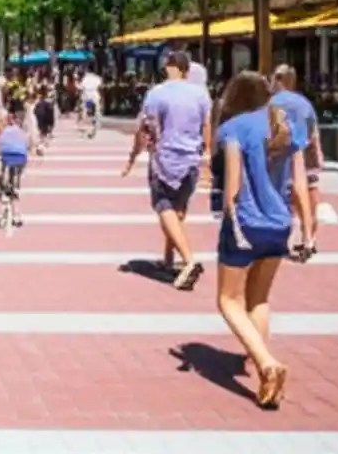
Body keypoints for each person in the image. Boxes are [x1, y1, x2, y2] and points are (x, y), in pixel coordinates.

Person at [214, 70, 309, 409]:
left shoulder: (232, 129)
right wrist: (307, 231)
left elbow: (233, 185)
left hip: (245, 223)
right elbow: (299, 187)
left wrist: (228, 215)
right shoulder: (283, 125)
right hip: (279, 224)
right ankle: (263, 376)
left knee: (227, 300)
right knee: (259, 300)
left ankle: (267, 363)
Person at [123, 51, 210, 290]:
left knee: (163, 206)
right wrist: (207, 154)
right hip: (191, 159)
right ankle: (169, 258)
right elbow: (206, 125)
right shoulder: (200, 94)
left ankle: (188, 259)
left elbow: (146, 127)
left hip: (165, 158)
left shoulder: (157, 93)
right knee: (179, 209)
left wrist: (133, 156)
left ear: (169, 68)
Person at [270, 64, 321, 259]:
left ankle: (283, 240)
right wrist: (317, 154)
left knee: (280, 196)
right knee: (302, 196)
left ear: (279, 79)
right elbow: (313, 131)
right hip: (299, 151)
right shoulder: (303, 102)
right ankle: (308, 237)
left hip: (278, 152)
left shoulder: (272, 102)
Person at [0, 109, 32, 228]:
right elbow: (28, 146)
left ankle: (5, 198)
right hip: (20, 158)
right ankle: (16, 214)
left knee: (2, 180)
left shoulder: (5, 131)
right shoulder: (21, 131)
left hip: (7, 157)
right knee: (17, 180)